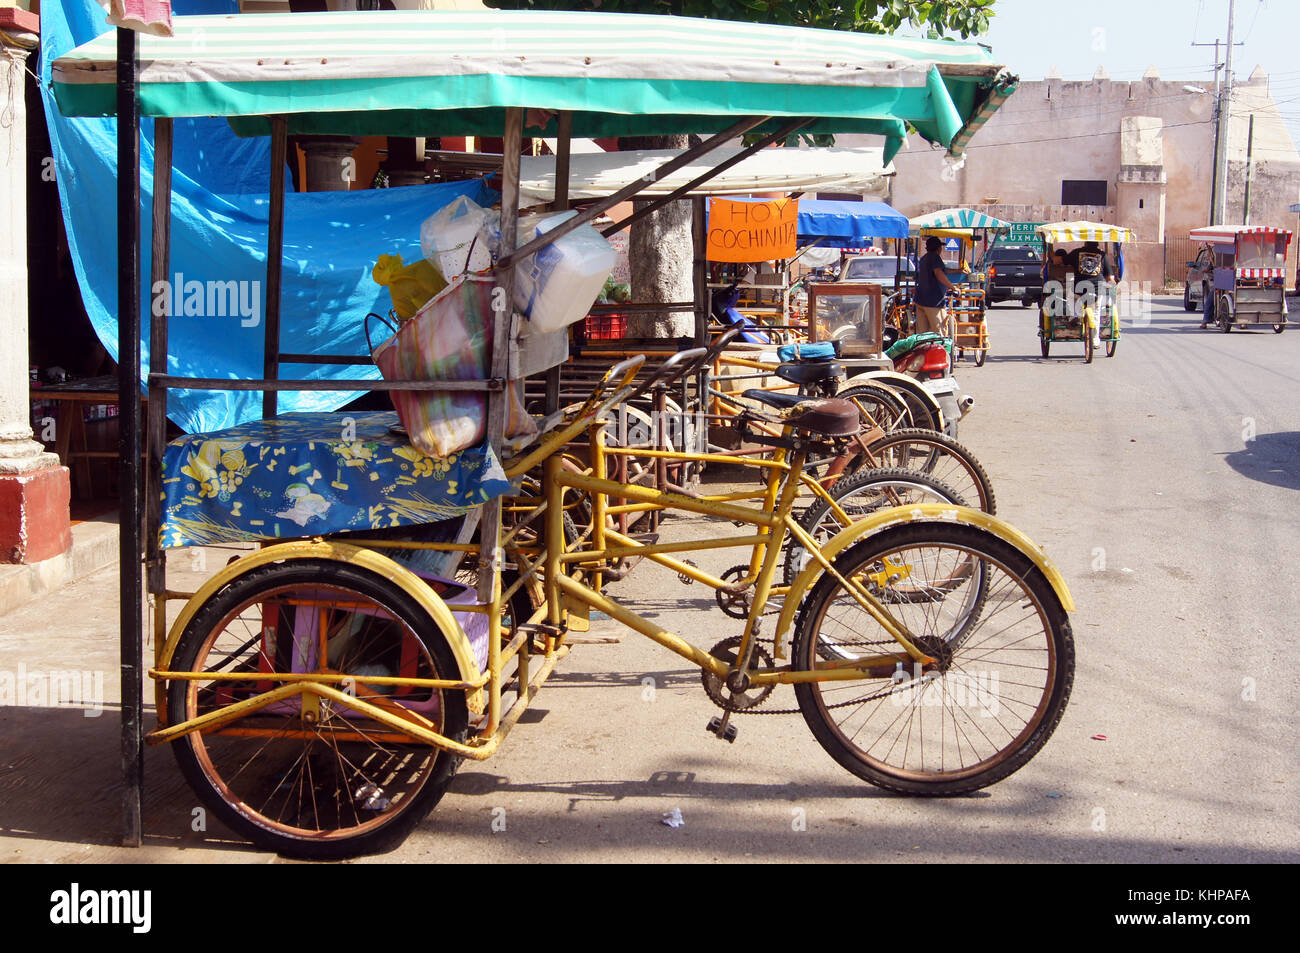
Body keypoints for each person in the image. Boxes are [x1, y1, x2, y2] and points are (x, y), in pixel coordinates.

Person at [1066, 240, 1114, 346]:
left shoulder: (1077, 252)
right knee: (1096, 312)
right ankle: (1095, 340)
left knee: (1070, 295)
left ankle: (1074, 316)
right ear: (1097, 243)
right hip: (1098, 289)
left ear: (1085, 243)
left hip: (1080, 289)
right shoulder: (1102, 255)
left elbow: (1060, 261)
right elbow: (1110, 277)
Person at [915, 236, 957, 337]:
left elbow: (942, 270)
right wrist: (952, 287)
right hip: (933, 302)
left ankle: (923, 352)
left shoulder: (925, 258)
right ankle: (940, 352)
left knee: (922, 334)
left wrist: (958, 270)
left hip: (921, 301)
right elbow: (939, 273)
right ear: (939, 248)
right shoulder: (935, 258)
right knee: (939, 332)